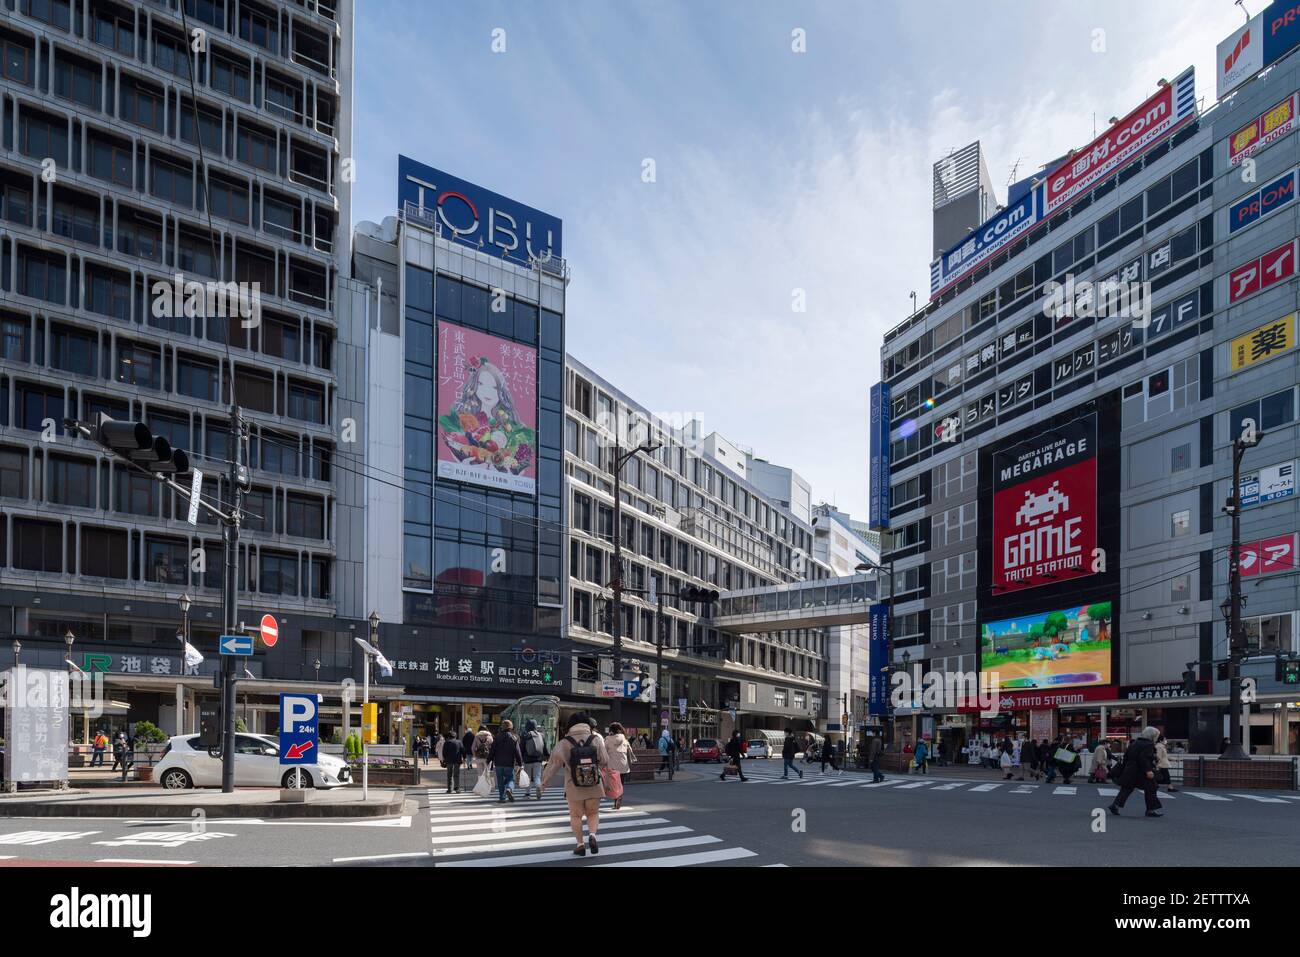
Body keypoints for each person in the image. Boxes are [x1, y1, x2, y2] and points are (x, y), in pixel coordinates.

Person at [539, 712, 609, 856]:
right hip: (594, 784)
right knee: (593, 813)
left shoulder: (564, 743)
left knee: (576, 816)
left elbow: (553, 765)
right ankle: (592, 835)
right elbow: (604, 760)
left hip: (573, 786)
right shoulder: (596, 739)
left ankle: (580, 845)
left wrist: (543, 784)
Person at [1109, 726, 1164, 818]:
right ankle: (1150, 810)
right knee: (1151, 788)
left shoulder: (1134, 743)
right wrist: (1148, 771)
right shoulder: (1148, 744)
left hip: (1130, 770)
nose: (1157, 737)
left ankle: (1115, 805)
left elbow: (1126, 757)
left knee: (1126, 789)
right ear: (1152, 736)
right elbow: (1144, 759)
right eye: (1156, 735)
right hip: (1141, 771)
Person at [603, 722, 635, 810]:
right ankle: (619, 798)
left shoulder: (608, 739)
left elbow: (603, 752)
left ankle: (616, 799)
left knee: (614, 784)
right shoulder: (624, 739)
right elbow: (630, 751)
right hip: (623, 765)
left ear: (611, 731)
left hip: (612, 766)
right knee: (621, 784)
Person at [488, 720, 522, 802]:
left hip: (498, 763)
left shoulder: (497, 737)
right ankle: (509, 789)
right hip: (509, 763)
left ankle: (502, 798)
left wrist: (489, 760)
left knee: (500, 781)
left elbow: (492, 750)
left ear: (502, 727)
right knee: (510, 779)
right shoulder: (514, 738)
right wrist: (520, 763)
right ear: (511, 727)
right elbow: (517, 752)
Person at [520, 719, 548, 800]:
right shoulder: (541, 735)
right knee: (537, 776)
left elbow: (522, 747)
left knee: (527, 777)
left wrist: (520, 758)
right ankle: (538, 786)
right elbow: (544, 747)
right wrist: (547, 755)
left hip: (527, 759)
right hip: (538, 759)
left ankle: (527, 794)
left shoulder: (525, 735)